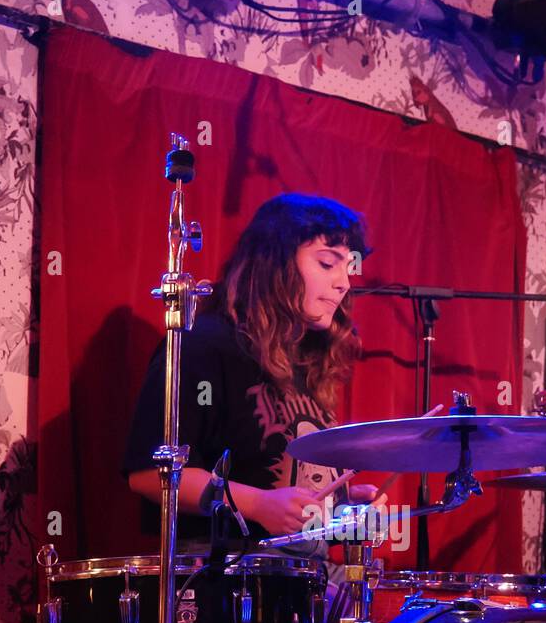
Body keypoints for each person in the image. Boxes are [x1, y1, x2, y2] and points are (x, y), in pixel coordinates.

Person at [122, 192, 378, 547]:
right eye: (326, 263)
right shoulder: (205, 345)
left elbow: (287, 498)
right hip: (219, 580)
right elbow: (149, 474)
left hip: (301, 580)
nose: (344, 283)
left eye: (348, 268)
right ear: (277, 262)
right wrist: (258, 504)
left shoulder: (305, 363)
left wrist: (341, 510)